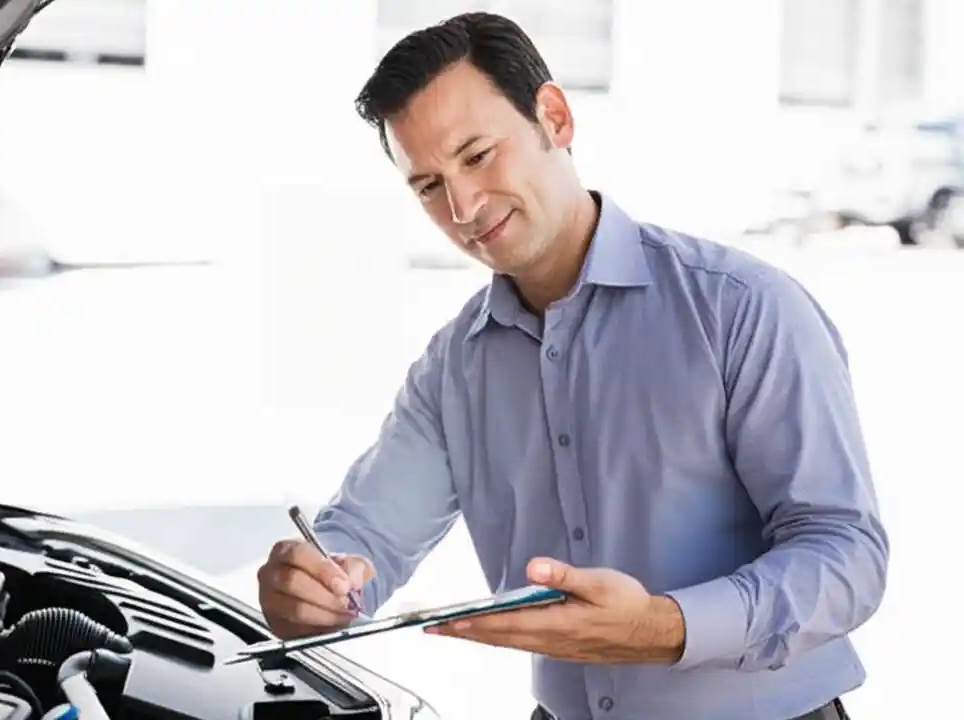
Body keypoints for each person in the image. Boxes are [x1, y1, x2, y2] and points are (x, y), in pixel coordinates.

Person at [254, 11, 888, 720]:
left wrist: (664, 627)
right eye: (428, 186)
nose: (463, 207)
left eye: (477, 155)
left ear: (553, 118)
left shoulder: (740, 309)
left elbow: (846, 556)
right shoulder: (454, 368)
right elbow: (365, 540)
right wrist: (316, 581)